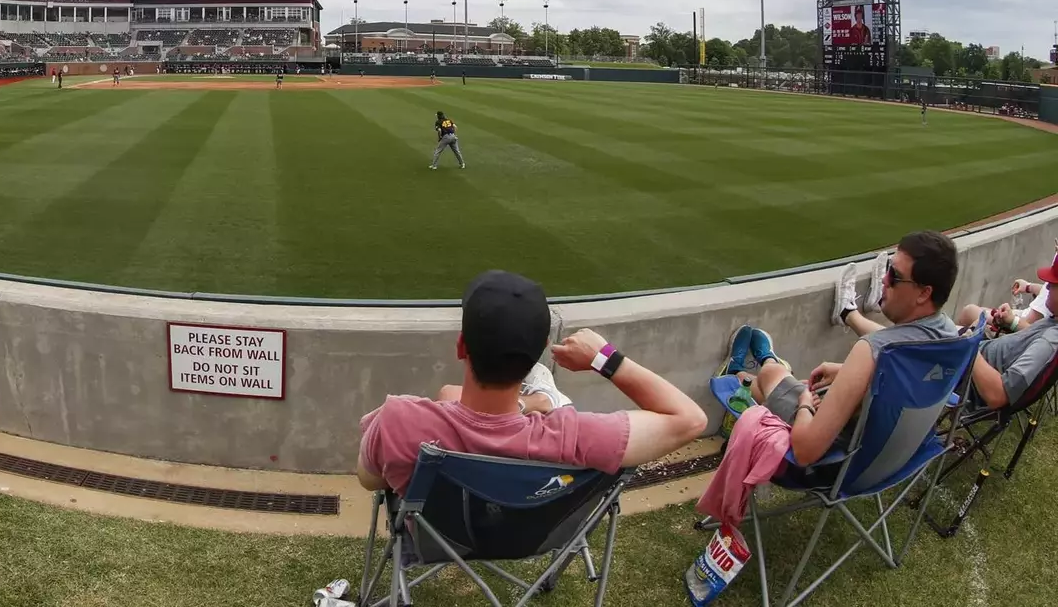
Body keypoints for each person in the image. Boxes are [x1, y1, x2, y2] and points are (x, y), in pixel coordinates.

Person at [357, 270, 707, 495]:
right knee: (461, 396)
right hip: (532, 538)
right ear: (538, 354)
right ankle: (542, 398)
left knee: (448, 396)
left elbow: (370, 480)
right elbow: (690, 420)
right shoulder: (574, 436)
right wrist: (604, 358)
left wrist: (444, 416)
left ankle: (539, 399)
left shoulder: (398, 421)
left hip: (437, 540)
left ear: (462, 346)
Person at [718, 231, 960, 465]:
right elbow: (907, 375)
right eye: (887, 269)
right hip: (892, 459)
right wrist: (851, 374)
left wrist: (805, 403)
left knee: (771, 374)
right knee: (784, 381)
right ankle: (745, 374)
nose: (884, 280)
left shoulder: (872, 349)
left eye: (894, 275)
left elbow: (804, 452)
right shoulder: (951, 338)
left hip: (839, 462)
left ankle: (743, 372)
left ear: (924, 293)